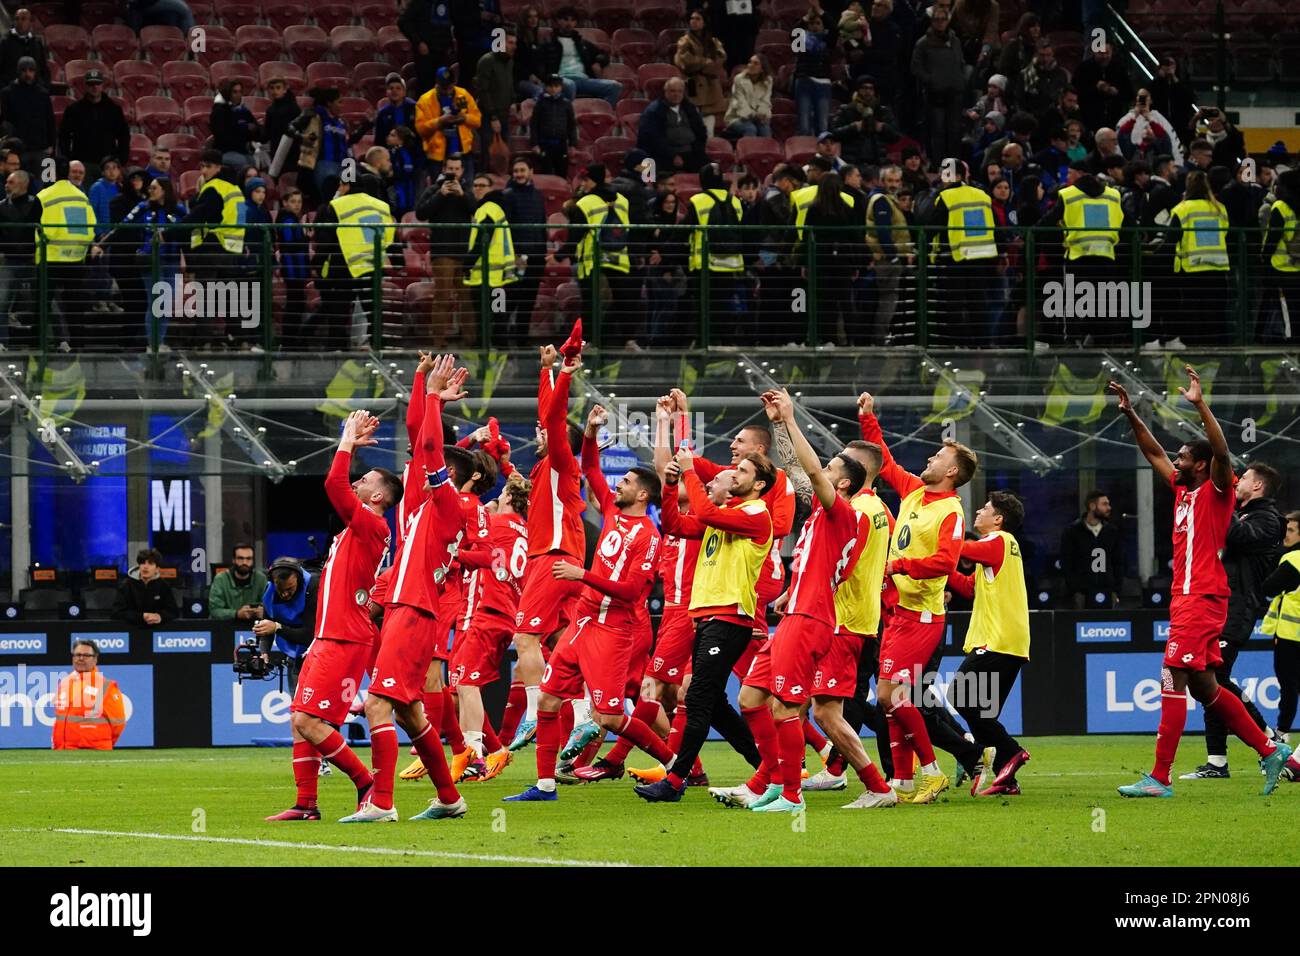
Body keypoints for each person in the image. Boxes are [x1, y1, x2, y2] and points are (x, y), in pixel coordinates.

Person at [1108, 367, 1293, 798]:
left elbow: (1223, 452)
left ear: (1202, 464)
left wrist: (1199, 405)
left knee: (1171, 676)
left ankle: (1159, 777)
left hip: (1202, 597)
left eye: (1183, 456)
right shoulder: (1182, 490)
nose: (1175, 460)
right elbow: (1152, 451)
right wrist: (1132, 414)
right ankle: (1270, 751)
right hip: (1187, 597)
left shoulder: (1219, 491)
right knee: (1208, 687)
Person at [717, 388, 894, 812]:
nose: (825, 465)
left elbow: (811, 473)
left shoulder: (851, 512)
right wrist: (779, 423)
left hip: (825, 619)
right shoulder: (823, 510)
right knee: (753, 698)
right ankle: (769, 782)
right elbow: (799, 469)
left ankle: (791, 794)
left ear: (846, 481)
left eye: (835, 464)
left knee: (796, 707)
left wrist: (792, 420)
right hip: (802, 611)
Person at [503, 402, 676, 802]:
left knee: (613, 716)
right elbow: (594, 472)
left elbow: (634, 592)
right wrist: (594, 434)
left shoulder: (649, 536)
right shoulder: (614, 516)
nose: (619, 486)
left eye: (628, 482)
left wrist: (584, 576)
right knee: (547, 698)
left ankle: (674, 767)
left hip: (614, 630)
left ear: (644, 494)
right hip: (582, 622)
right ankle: (545, 785)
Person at [340, 355, 472, 823]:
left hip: (415, 611)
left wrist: (435, 396)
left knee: (378, 701)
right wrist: (420, 383)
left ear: (445, 474)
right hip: (407, 607)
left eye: (422, 463)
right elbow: (421, 433)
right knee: (412, 714)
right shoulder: (422, 504)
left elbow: (432, 444)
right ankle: (450, 797)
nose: (412, 461)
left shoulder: (449, 504)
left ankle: (381, 801)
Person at [266, 411, 403, 821]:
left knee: (309, 722)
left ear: (378, 497)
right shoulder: (356, 528)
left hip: (345, 638)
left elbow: (333, 484)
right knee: (299, 720)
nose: (357, 483)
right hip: (328, 636)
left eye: (366, 482)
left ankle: (368, 787)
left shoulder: (373, 526)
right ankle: (306, 804)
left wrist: (347, 440)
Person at [633, 441, 776, 804]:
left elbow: (705, 512)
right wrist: (669, 487)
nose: (734, 474)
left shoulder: (756, 513)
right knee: (712, 704)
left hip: (730, 619)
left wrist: (690, 471)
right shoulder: (724, 516)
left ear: (758, 484)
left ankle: (676, 780)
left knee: (694, 697)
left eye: (742, 471)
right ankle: (766, 765)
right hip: (707, 619)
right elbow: (675, 524)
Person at [858, 390, 976, 804]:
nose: (930, 459)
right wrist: (868, 420)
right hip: (896, 611)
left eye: (938, 458)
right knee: (889, 702)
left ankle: (932, 771)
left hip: (922, 616)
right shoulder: (913, 493)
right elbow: (885, 462)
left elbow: (946, 562)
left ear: (953, 471)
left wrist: (899, 566)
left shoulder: (951, 511)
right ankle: (903, 781)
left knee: (893, 697)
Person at [505, 328, 588, 750]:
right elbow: (547, 415)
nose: (539, 434)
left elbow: (553, 419)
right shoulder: (545, 472)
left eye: (547, 434)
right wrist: (545, 370)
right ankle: (589, 714)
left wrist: (563, 373)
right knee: (564, 645)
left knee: (525, 639)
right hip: (562, 562)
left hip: (552, 560)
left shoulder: (560, 462)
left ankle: (537, 714)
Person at [1181, 463, 1284, 779]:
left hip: (1239, 609)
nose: (1238, 480)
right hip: (1222, 606)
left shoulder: (1270, 520)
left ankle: (1270, 740)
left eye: (1245, 477)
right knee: (1207, 679)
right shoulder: (1249, 515)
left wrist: (1220, 501)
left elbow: (1236, 536)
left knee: (1215, 680)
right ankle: (1217, 762)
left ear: (1257, 486)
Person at [946, 491, 1032, 796]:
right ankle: (1007, 777)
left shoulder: (998, 540)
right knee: (979, 711)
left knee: (960, 696)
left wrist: (938, 538)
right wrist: (943, 569)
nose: (978, 512)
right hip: (1009, 641)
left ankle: (1012, 752)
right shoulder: (1000, 549)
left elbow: (963, 548)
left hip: (998, 639)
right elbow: (969, 587)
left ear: (998, 519)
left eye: (985, 509)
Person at [447, 469, 531, 783]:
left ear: (509, 497)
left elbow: (470, 539)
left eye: (500, 495)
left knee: (465, 684)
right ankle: (490, 750)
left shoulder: (494, 524)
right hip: (505, 613)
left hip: (485, 612)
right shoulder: (525, 531)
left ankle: (473, 756)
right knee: (463, 686)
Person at [1038, 159, 1128, 343]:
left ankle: (1072, 343)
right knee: (1103, 305)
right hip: (1106, 257)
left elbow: (1045, 223)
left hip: (1077, 257)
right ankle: (1104, 344)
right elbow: (1130, 225)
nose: (1067, 177)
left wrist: (1028, 236)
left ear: (1080, 173)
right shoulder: (1113, 195)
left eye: (1070, 173)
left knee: (1073, 305)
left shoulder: (1069, 195)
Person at [555, 163, 638, 349]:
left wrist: (560, 256)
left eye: (586, 179)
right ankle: (629, 341)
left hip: (592, 258)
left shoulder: (584, 203)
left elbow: (575, 235)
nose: (584, 183)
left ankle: (587, 342)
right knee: (624, 300)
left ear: (593, 180)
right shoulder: (623, 200)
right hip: (619, 258)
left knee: (590, 303)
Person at [311, 174, 395, 351]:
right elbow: (388, 238)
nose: (339, 189)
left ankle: (337, 350)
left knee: (339, 312)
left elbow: (327, 239)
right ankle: (379, 349)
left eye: (341, 185)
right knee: (374, 311)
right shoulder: (381, 206)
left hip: (343, 265)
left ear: (348, 186)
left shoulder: (337, 205)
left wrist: (318, 264)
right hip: (372, 264)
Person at [923, 159, 1000, 345]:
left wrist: (921, 249)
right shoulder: (982, 195)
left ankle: (955, 344)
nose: (943, 179)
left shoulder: (946, 196)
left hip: (955, 259)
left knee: (953, 305)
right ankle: (982, 344)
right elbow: (995, 225)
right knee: (979, 304)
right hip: (981, 258)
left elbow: (931, 227)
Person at [1165, 170, 1231, 344]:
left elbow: (1171, 239)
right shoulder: (1220, 208)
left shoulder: (1182, 209)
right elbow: (1225, 234)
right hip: (1217, 267)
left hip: (1191, 268)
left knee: (1193, 313)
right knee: (1216, 313)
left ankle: (1194, 348)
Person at [682, 163, 745, 340]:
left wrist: (664, 250)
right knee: (725, 306)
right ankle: (723, 344)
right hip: (731, 264)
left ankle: (706, 342)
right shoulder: (736, 201)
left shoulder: (698, 200)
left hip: (705, 265)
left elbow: (684, 230)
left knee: (704, 307)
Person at [415, 154, 473, 345]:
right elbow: (421, 213)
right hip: (442, 251)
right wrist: (441, 194)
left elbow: (476, 209)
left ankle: (471, 340)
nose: (453, 173)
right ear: (443, 169)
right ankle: (439, 340)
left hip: (465, 252)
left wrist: (462, 195)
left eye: (457, 169)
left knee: (467, 298)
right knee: (442, 296)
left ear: (462, 171)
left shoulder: (467, 190)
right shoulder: (433, 190)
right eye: (450, 169)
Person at [1261, 511, 1300, 749]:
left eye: (1292, 530)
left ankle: (1283, 732)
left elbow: (1268, 587)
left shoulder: (1293, 559)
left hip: (1290, 634)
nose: (1286, 534)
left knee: (1289, 685)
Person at [464, 172, 517, 345]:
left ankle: (487, 350)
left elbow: (482, 240)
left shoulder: (488, 208)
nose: (478, 189)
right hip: (499, 277)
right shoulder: (497, 207)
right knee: (498, 313)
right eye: (476, 186)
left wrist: (468, 263)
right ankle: (499, 350)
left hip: (485, 277)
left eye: (482, 186)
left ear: (490, 188)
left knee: (486, 317)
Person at [912, 5, 965, 163]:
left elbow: (960, 62)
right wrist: (931, 80)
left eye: (943, 19)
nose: (940, 22)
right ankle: (938, 167)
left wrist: (958, 80)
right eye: (937, 19)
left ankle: (953, 168)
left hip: (954, 93)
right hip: (935, 95)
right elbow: (915, 67)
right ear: (931, 21)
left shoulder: (954, 40)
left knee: (954, 132)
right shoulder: (923, 43)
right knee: (938, 132)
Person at [501, 154, 546, 339]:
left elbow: (542, 224)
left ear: (531, 172)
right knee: (511, 297)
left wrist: (543, 252)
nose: (519, 174)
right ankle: (502, 336)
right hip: (517, 257)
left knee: (529, 298)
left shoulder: (538, 195)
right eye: (516, 171)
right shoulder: (507, 195)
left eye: (522, 170)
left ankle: (522, 337)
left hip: (536, 256)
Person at [53, 640, 127, 750]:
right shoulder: (65, 682)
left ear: (95, 659)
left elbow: (118, 723)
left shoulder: (106, 686)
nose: (81, 658)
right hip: (63, 750)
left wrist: (102, 743)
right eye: (77, 655)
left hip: (94, 751)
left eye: (86, 655)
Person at [57, 68, 130, 178]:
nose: (94, 87)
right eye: (91, 84)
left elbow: (124, 136)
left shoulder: (114, 109)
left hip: (107, 164)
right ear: (86, 86)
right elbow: (64, 136)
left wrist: (120, 160)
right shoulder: (74, 110)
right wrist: (70, 160)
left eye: (97, 83)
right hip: (83, 163)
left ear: (102, 85)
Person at [541, 6, 620, 106]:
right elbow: (539, 63)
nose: (569, 23)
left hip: (583, 79)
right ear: (558, 21)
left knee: (615, 86)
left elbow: (603, 55)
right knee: (570, 85)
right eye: (565, 20)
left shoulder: (582, 43)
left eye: (573, 20)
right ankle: (568, 117)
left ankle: (599, 112)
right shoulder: (549, 43)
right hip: (562, 79)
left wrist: (598, 62)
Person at [1059, 490, 1123, 608]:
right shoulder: (1072, 532)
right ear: (1092, 506)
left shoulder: (1112, 532)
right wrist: (1075, 590)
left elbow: (1118, 562)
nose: (1109, 507)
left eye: (1108, 504)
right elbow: (1067, 563)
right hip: (1081, 595)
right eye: (1104, 504)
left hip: (1108, 592)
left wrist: (1116, 589)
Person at [637, 77, 708, 175]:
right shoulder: (654, 111)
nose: (676, 94)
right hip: (663, 154)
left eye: (680, 91)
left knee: (712, 169)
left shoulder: (690, 108)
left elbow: (701, 132)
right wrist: (673, 155)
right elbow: (653, 139)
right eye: (672, 91)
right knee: (652, 170)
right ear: (665, 92)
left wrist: (698, 151)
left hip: (691, 151)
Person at [675, 9, 728, 138]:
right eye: (692, 18)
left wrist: (705, 65)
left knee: (708, 128)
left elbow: (720, 59)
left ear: (704, 22)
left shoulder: (714, 41)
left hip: (711, 85)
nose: (694, 21)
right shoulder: (685, 41)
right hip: (693, 82)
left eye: (698, 19)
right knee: (693, 122)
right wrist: (704, 62)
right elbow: (684, 61)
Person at [2, 57, 54, 170]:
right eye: (24, 70)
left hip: (41, 149)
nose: (28, 73)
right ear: (18, 72)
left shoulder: (43, 94)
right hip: (17, 151)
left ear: (35, 72)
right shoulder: (7, 93)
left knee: (44, 185)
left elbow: (50, 120)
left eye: (31, 70)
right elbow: (4, 121)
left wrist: (51, 144)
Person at [398, 0, 455, 98]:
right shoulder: (420, 2)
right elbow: (403, 22)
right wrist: (418, 42)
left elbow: (448, 24)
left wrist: (449, 44)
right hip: (425, 52)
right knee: (426, 87)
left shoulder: (446, 2)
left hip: (442, 51)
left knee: (443, 86)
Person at [474, 29, 516, 163]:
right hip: (488, 116)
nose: (513, 46)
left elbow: (509, 84)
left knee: (503, 157)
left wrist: (513, 102)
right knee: (488, 154)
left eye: (515, 43)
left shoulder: (510, 62)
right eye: (510, 43)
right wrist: (493, 117)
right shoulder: (487, 61)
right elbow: (483, 91)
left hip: (504, 114)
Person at [793, 10, 834, 136]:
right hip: (805, 82)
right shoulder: (801, 39)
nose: (815, 26)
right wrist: (806, 17)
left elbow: (834, 28)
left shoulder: (828, 40)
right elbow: (793, 33)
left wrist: (822, 13)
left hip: (823, 84)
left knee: (822, 126)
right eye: (812, 23)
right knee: (804, 126)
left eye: (818, 23)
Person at [112, 547, 178, 627]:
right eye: (143, 563)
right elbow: (116, 613)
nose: (145, 567)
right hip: (131, 631)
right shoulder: (126, 585)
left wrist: (160, 617)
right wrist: (141, 617)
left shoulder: (164, 586)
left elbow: (173, 612)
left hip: (157, 633)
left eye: (150, 563)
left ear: (157, 569)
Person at [529, 74, 577, 176]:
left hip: (561, 144)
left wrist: (573, 144)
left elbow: (571, 125)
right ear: (546, 87)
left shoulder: (566, 103)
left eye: (556, 86)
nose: (554, 89)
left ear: (561, 87)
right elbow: (534, 124)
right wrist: (534, 143)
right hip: (544, 144)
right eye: (550, 86)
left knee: (562, 172)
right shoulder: (540, 103)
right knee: (546, 172)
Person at [207, 543, 268, 622]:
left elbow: (270, 607)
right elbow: (214, 611)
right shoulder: (221, 579)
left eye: (248, 558)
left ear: (253, 560)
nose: (244, 562)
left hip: (253, 627)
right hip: (225, 627)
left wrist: (263, 612)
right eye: (240, 558)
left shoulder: (261, 579)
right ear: (234, 560)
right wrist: (236, 614)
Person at [210, 80, 262, 170]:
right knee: (245, 165)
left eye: (240, 92)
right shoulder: (219, 111)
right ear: (228, 93)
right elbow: (223, 136)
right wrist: (245, 129)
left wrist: (252, 130)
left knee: (255, 162)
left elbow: (256, 130)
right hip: (225, 151)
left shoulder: (243, 110)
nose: (238, 95)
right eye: (235, 92)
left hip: (243, 150)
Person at [724, 54, 773, 139]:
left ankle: (766, 152)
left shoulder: (768, 81)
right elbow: (741, 103)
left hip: (757, 117)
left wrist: (763, 115)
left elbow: (765, 101)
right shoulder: (739, 79)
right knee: (750, 128)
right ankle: (749, 151)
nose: (750, 65)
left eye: (755, 63)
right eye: (750, 62)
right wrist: (755, 115)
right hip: (737, 116)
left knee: (765, 129)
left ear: (762, 69)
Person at [0, 8, 50, 87]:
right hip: (11, 89)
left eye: (23, 19)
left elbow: (43, 68)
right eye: (17, 19)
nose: (19, 22)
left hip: (35, 89)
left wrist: (44, 87)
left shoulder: (37, 42)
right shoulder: (5, 41)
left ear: (30, 22)